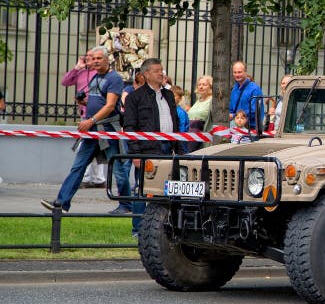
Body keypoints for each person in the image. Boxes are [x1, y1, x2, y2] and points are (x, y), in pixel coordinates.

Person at [41, 47, 132, 214]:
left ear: (107, 60)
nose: (95, 61)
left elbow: (110, 105)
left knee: (117, 168)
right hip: (92, 131)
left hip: (107, 130)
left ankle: (126, 205)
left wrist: (91, 120)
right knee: (78, 167)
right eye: (93, 58)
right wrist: (83, 103)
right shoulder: (96, 77)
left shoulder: (114, 78)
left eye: (99, 58)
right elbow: (97, 100)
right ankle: (61, 204)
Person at [124, 58, 181, 237]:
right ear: (146, 74)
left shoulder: (169, 95)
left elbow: (175, 122)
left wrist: (179, 149)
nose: (161, 73)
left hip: (167, 148)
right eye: (156, 70)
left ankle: (163, 227)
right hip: (147, 150)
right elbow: (130, 127)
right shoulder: (135, 97)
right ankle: (138, 229)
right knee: (143, 189)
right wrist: (135, 154)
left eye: (162, 70)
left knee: (167, 188)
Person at [62, 53, 108, 189]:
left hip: (98, 115)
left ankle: (99, 179)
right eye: (88, 56)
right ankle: (86, 178)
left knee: (100, 145)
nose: (90, 59)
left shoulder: (100, 75)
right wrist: (77, 67)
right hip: (84, 114)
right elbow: (65, 82)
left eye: (93, 57)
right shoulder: (80, 73)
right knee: (85, 146)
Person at [228, 61, 263, 130]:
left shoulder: (255, 89)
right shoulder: (234, 89)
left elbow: (254, 111)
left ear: (245, 72)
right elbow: (231, 109)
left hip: (251, 128)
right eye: (235, 72)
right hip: (235, 127)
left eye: (239, 72)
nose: (237, 75)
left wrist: (235, 115)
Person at [186, 74, 213, 153]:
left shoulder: (211, 100)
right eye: (199, 85)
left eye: (204, 85)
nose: (201, 87)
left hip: (203, 137)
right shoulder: (198, 100)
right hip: (191, 136)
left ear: (210, 86)